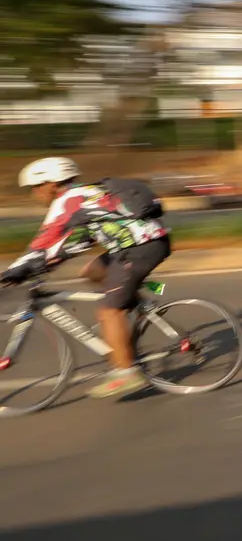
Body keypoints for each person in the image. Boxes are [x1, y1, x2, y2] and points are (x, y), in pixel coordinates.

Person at [0, 157, 172, 399]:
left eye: (36, 187)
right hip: (136, 245)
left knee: (108, 312)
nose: (34, 193)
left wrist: (12, 272)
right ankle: (139, 304)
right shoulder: (86, 193)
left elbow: (44, 241)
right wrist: (46, 264)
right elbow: (78, 240)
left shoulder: (68, 201)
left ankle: (126, 374)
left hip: (141, 247)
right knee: (91, 271)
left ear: (52, 184)